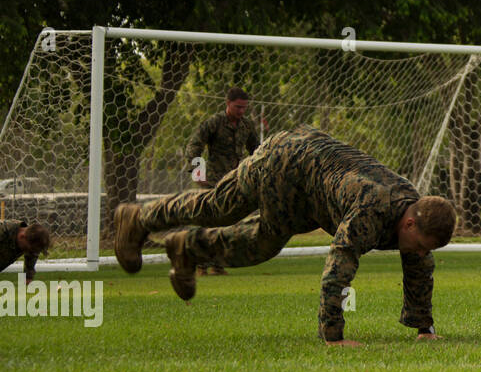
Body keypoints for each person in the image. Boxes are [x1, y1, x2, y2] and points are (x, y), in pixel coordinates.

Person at [113, 125, 456, 345]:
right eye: (420, 245)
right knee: (229, 215)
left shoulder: (415, 209)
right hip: (286, 163)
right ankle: (142, 220)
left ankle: (186, 246)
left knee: (231, 215)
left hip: (311, 181)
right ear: (410, 224)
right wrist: (333, 337)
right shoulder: (372, 210)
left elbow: (420, 267)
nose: (419, 253)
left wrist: (423, 329)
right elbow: (338, 267)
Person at [183, 87, 261, 276]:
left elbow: (257, 150)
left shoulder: (247, 125)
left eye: (244, 108)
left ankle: (218, 265)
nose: (241, 111)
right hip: (211, 181)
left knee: (229, 223)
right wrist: (197, 171)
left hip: (235, 179)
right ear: (227, 103)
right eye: (237, 107)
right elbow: (195, 145)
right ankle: (200, 265)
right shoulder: (214, 123)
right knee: (207, 221)